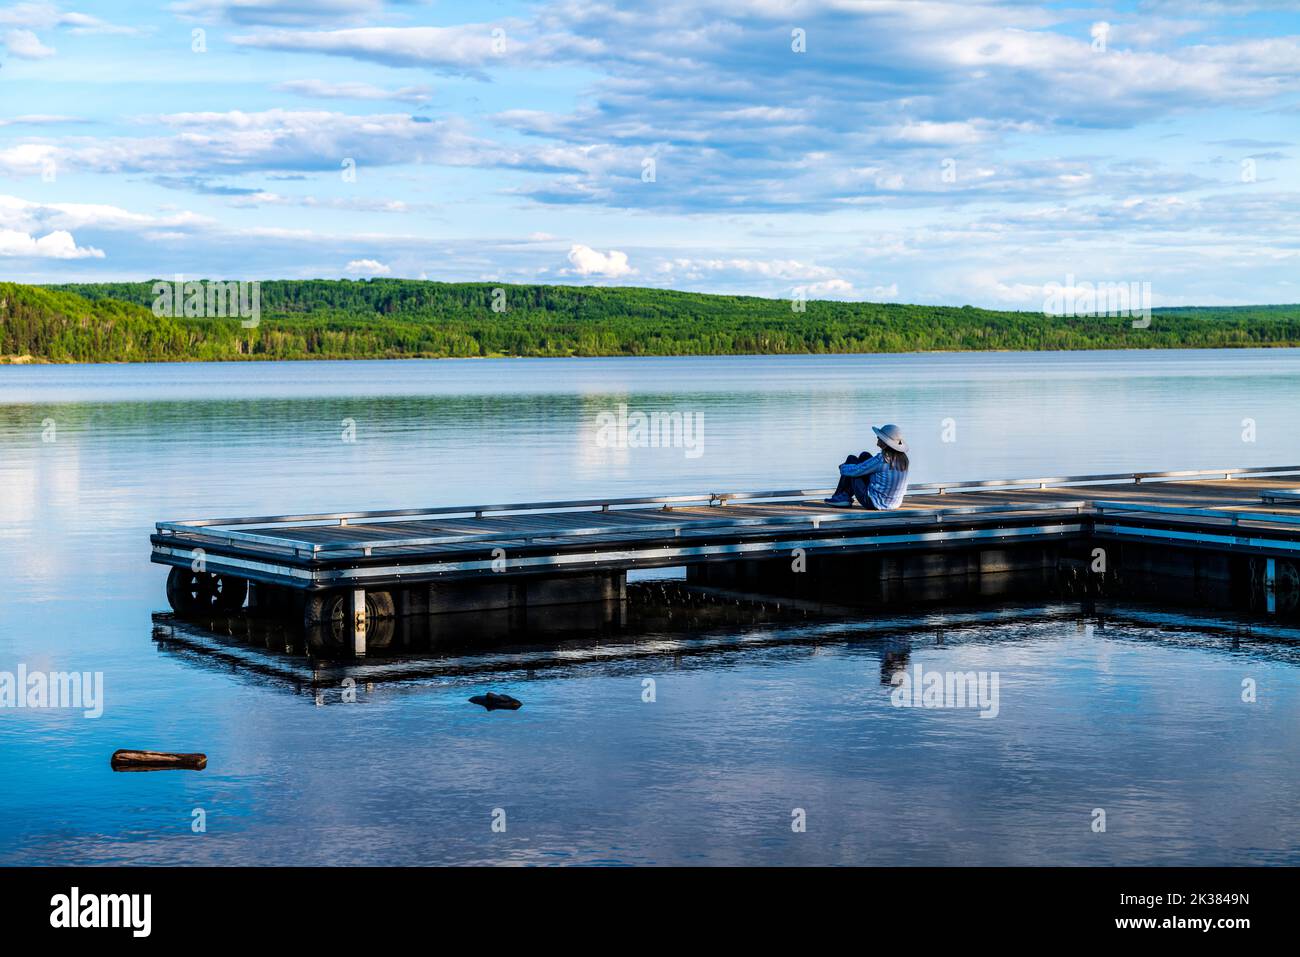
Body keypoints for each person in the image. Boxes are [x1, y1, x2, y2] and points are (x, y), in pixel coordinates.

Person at [824, 423, 910, 510]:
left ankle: (839, 496)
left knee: (852, 460)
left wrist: (843, 467)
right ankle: (843, 496)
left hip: (873, 502)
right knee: (865, 455)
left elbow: (855, 471)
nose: (877, 443)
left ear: (885, 443)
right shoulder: (904, 460)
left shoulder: (882, 459)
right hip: (894, 504)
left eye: (879, 439)